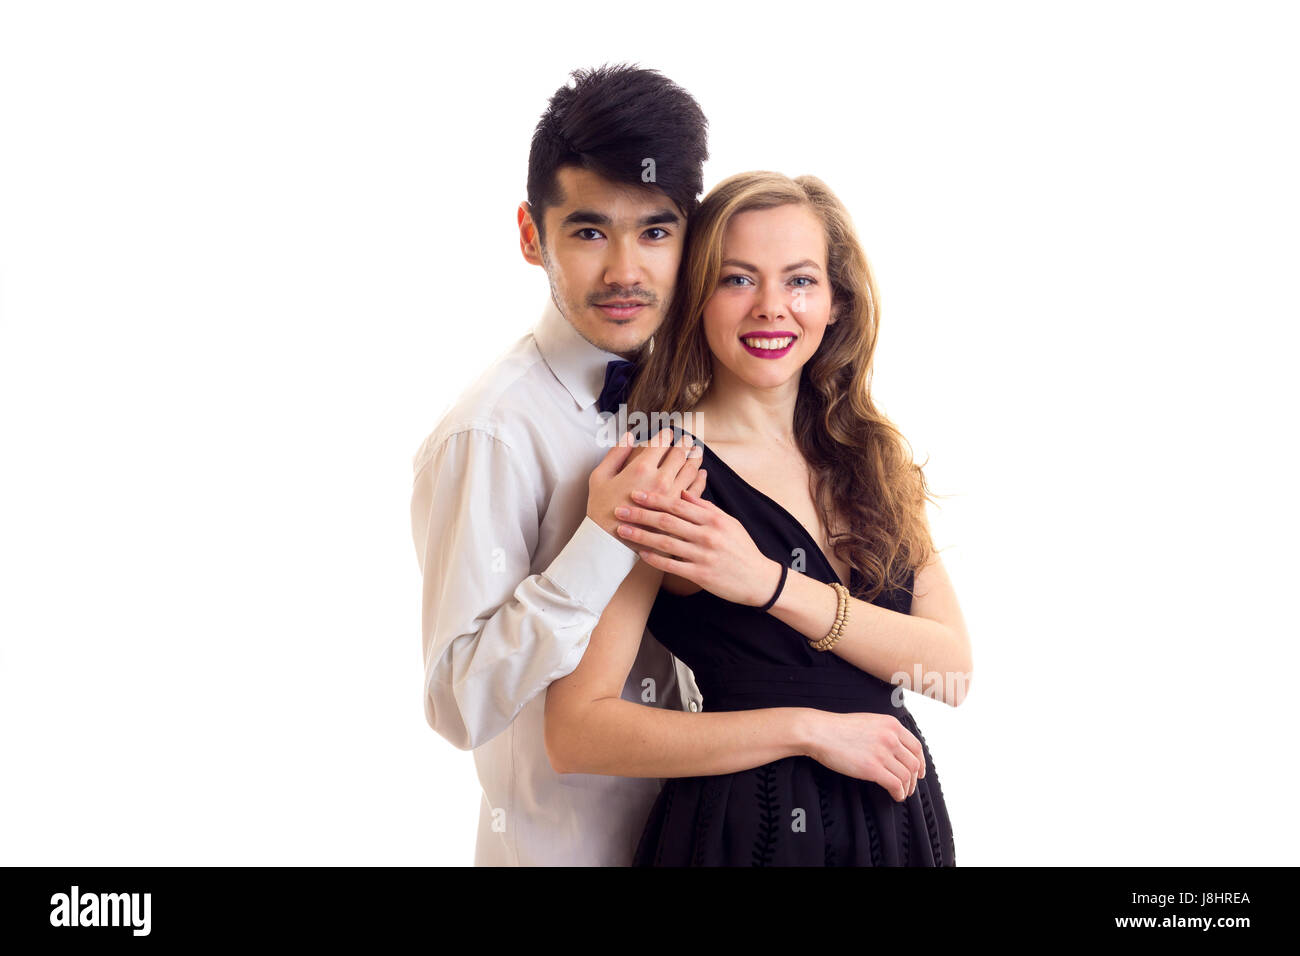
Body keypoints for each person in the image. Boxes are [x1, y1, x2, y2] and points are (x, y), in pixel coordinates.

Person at [544, 171, 971, 866]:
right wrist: (807, 729)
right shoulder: (663, 469)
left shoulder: (870, 455)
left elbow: (948, 666)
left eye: (800, 281)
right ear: (697, 298)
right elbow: (577, 732)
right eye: (737, 280)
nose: (772, 308)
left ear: (836, 302)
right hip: (745, 832)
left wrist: (770, 584)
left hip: (895, 827)